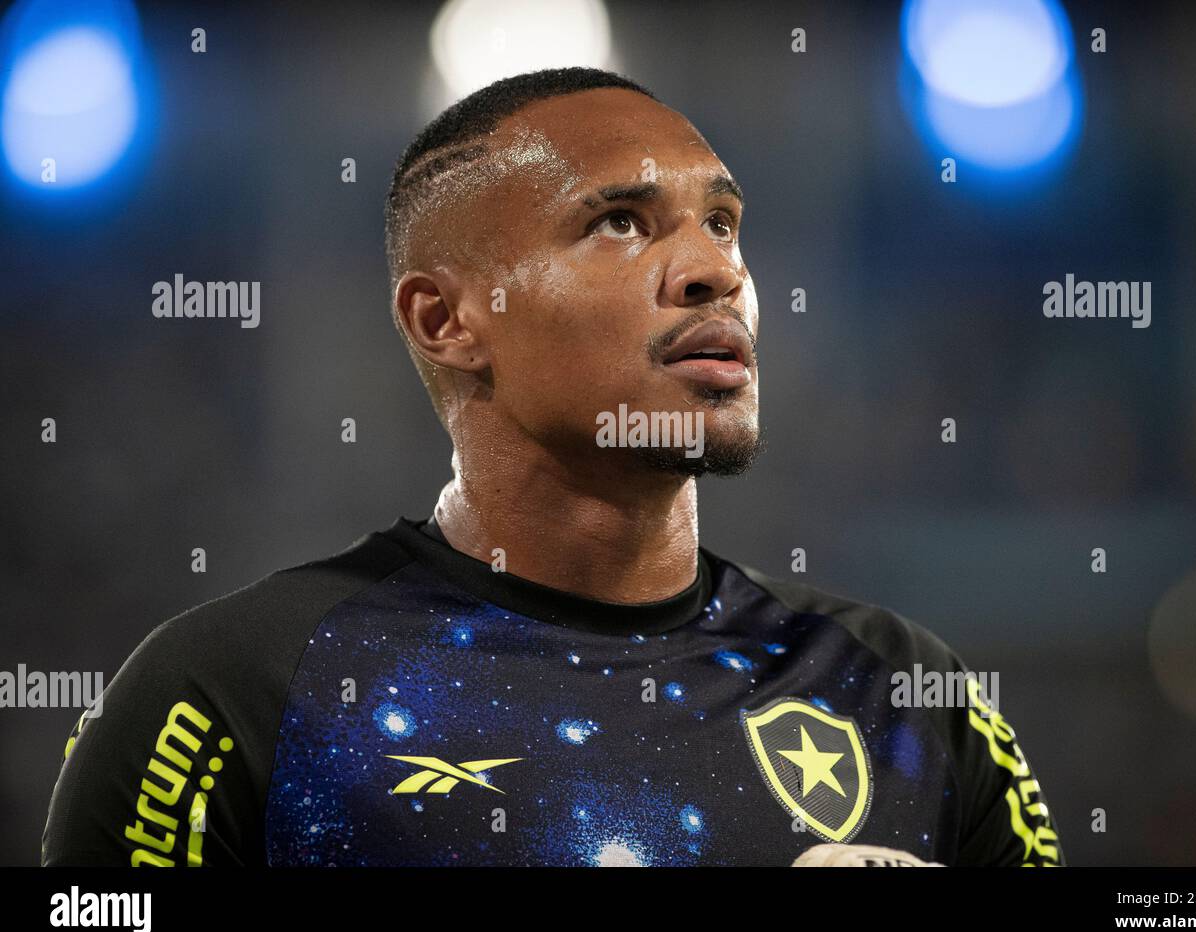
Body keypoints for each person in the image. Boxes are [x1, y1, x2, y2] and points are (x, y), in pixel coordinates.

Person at [42, 67, 1062, 867]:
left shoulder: (904, 692)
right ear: (446, 320)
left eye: (723, 222)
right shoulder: (229, 695)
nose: (717, 269)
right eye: (618, 221)